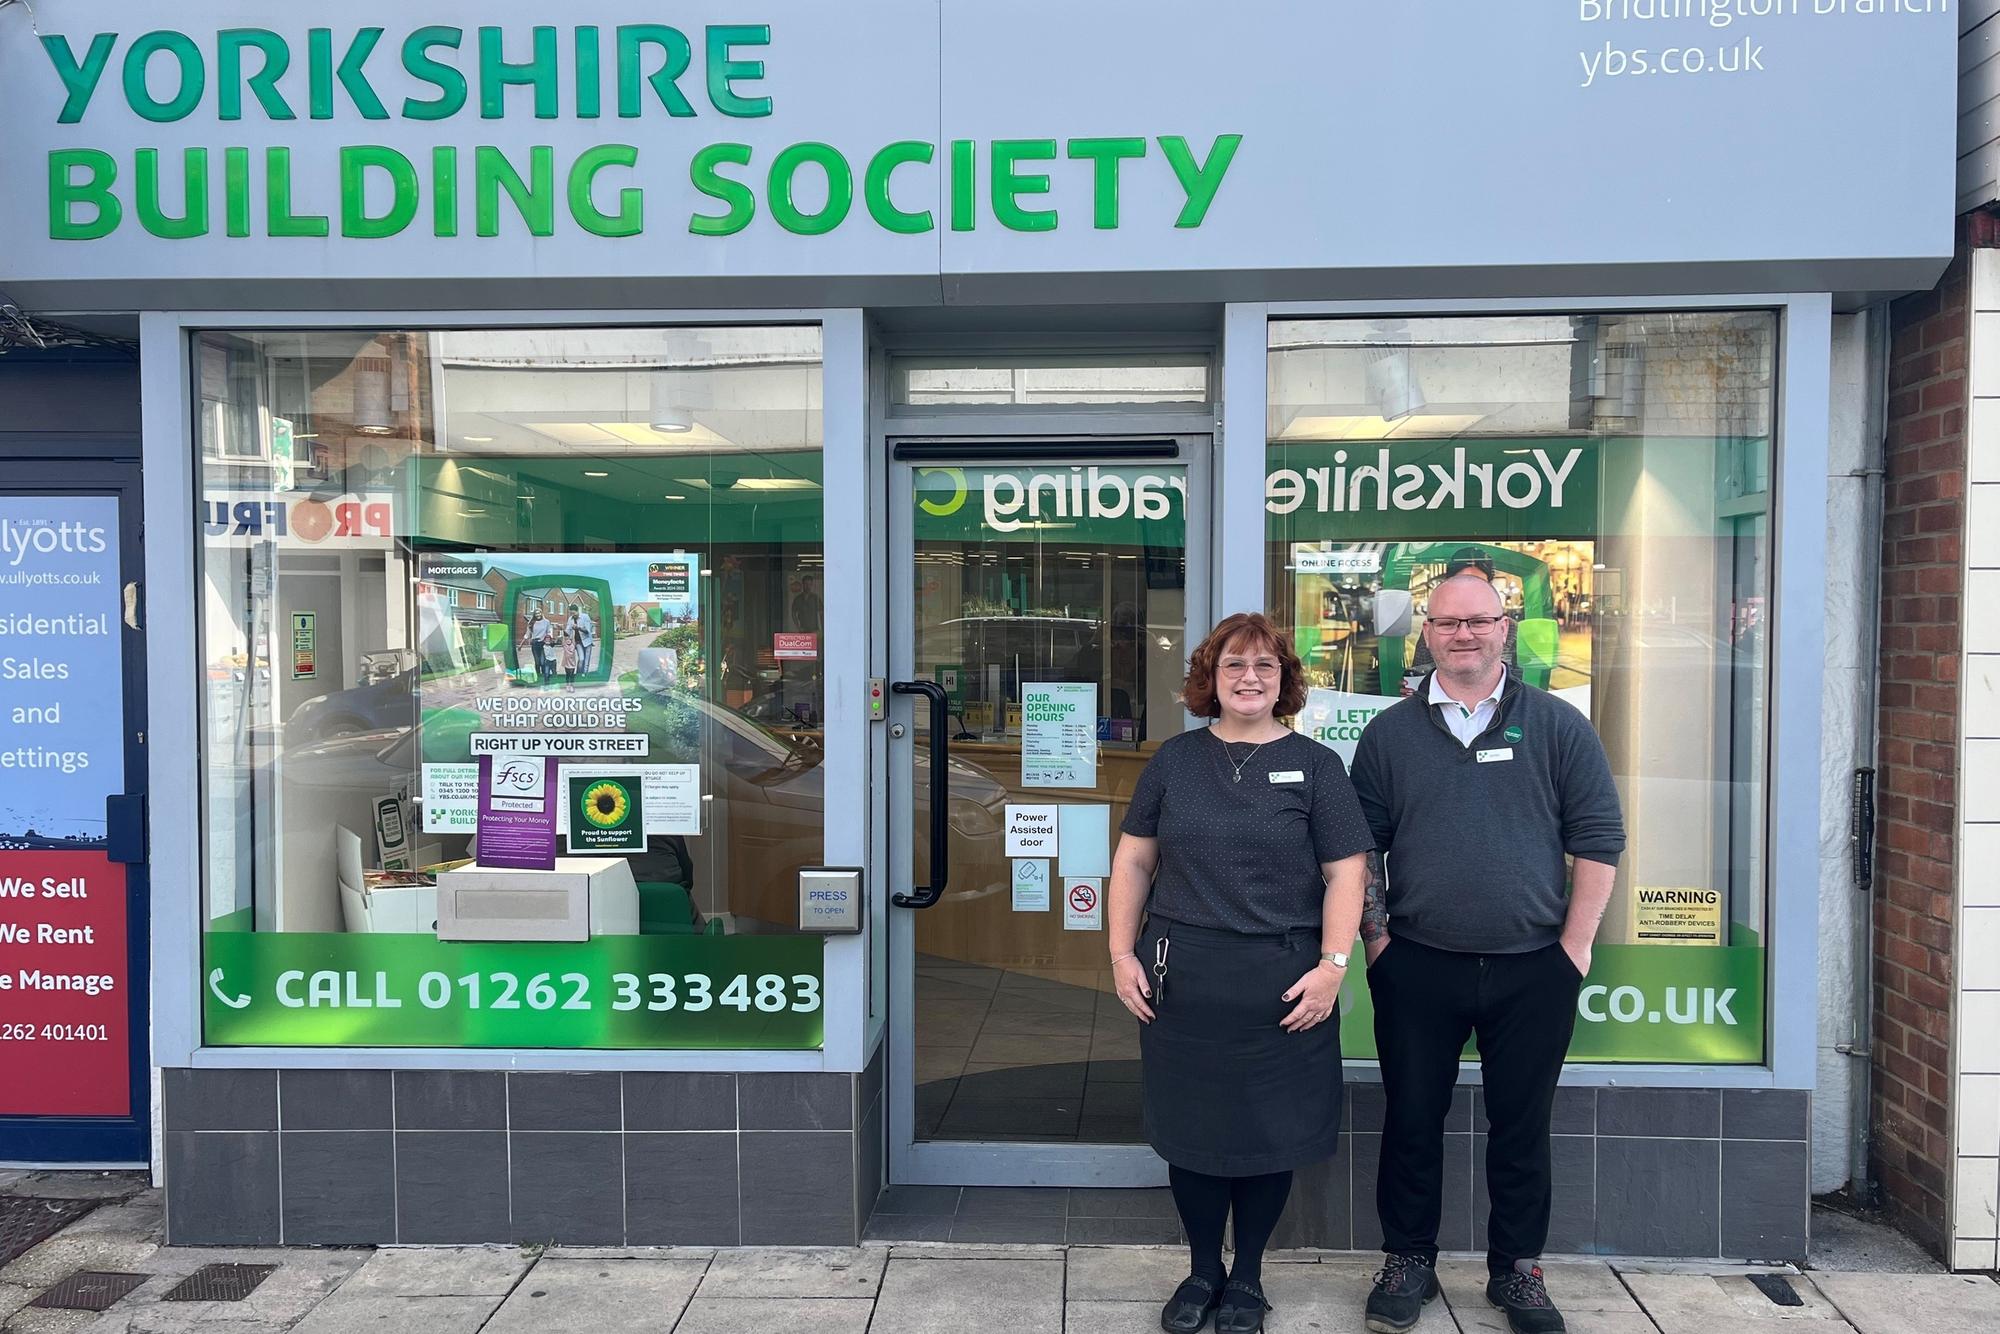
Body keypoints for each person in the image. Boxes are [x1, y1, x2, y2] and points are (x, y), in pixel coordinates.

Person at [1349, 575, 1626, 1334]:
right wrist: (1377, 942)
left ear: (1506, 627)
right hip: (1417, 962)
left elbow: (1599, 839)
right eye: (1447, 622)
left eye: (1478, 621)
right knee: (1411, 1120)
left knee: (1522, 1126)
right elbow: (1362, 847)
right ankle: (1408, 1259)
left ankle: (1517, 1270)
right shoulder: (1390, 735)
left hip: (1534, 965)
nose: (1463, 634)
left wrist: (1573, 949)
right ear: (1427, 631)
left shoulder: (1558, 725)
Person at [1108, 611, 1373, 1334]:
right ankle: (1203, 1271)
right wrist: (1122, 953)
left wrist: (1333, 967)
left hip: (1282, 982)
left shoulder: (1317, 766)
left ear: (1284, 679)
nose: (1249, 678)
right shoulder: (1174, 760)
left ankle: (1248, 1276)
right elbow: (1134, 861)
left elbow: (1347, 874)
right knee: (1192, 1136)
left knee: (1266, 1136)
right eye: (1234, 664)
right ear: (1210, 677)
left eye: (1264, 665)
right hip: (1184, 976)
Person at [526, 609, 556, 687]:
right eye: (536, 613)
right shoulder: (531, 622)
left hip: (543, 644)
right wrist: (521, 644)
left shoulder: (546, 622)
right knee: (537, 663)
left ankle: (544, 678)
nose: (538, 615)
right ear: (534, 615)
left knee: (543, 662)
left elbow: (549, 632)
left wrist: (550, 640)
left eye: (539, 613)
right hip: (535, 643)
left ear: (541, 613)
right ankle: (538, 678)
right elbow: (527, 634)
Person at [568, 604, 597, 676]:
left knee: (586, 662)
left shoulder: (585, 617)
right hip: (578, 642)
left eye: (573, 613)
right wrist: (561, 628)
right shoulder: (570, 619)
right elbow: (568, 631)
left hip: (587, 641)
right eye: (571, 613)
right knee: (581, 659)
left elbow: (587, 631)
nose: (572, 615)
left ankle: (584, 676)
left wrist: (578, 628)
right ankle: (578, 675)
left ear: (577, 611)